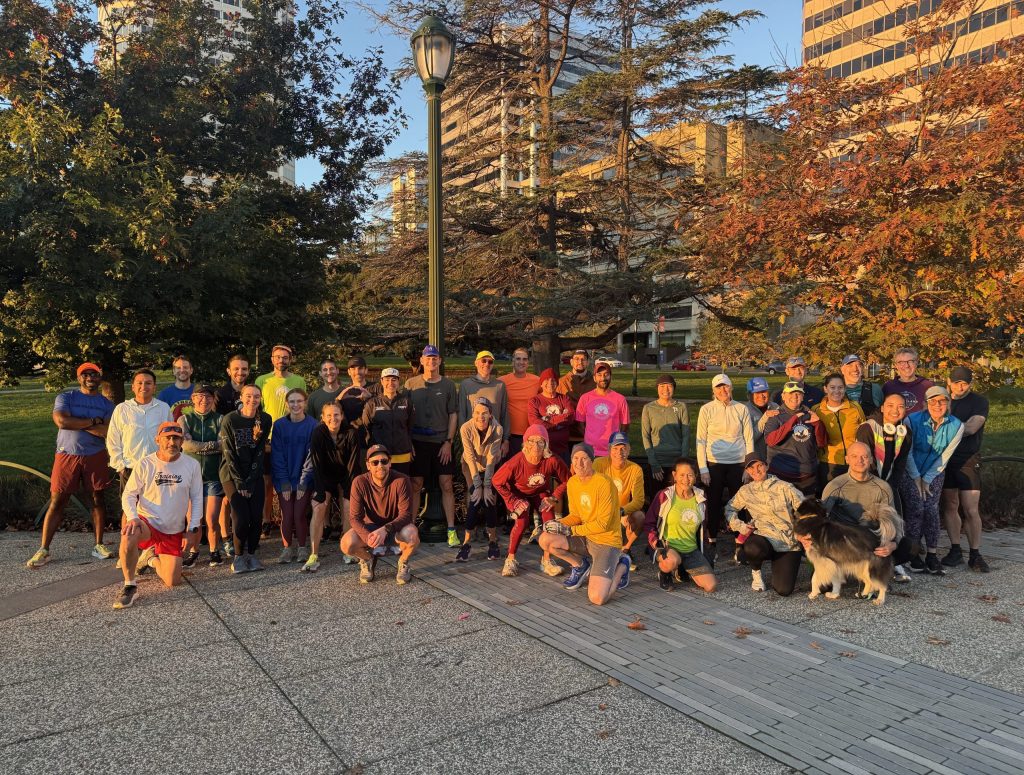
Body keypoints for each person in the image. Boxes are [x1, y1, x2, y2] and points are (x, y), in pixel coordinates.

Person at [27, 363, 116, 569]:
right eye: (85, 374)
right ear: (79, 378)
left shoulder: (107, 404)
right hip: (67, 454)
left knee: (97, 498)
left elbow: (107, 431)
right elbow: (62, 422)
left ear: (100, 377)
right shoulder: (66, 397)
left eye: (94, 374)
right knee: (58, 499)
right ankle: (44, 549)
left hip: (95, 454)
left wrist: (79, 422)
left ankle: (98, 545)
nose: (90, 377)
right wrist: (94, 420)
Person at [113, 422, 203, 609]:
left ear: (181, 441)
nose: (172, 442)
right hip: (148, 523)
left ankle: (151, 559)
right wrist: (133, 517)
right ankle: (130, 585)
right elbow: (129, 494)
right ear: (158, 440)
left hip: (173, 529)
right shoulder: (145, 463)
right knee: (129, 534)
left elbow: (196, 498)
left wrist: (193, 528)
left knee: (172, 581)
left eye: (176, 438)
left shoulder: (192, 465)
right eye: (167, 438)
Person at [539, 443, 630, 605]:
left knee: (597, 598)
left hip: (606, 542)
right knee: (545, 539)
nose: (579, 463)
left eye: (584, 459)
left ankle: (622, 565)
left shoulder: (604, 483)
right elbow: (576, 515)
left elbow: (603, 524)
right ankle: (580, 566)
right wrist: (557, 524)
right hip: (586, 536)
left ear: (592, 461)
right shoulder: (573, 482)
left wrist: (569, 530)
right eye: (575, 458)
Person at [820, 441, 912, 582]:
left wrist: (892, 544)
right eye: (855, 456)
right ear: (847, 459)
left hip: (871, 539)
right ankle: (849, 571)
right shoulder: (835, 486)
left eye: (864, 456)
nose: (860, 461)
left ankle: (881, 567)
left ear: (871, 460)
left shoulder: (883, 487)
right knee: (826, 584)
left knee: (910, 547)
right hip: (845, 542)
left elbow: (893, 521)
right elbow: (821, 519)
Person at [492, 424, 571, 577]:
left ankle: (547, 560)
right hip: (518, 494)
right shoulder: (516, 462)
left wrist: (554, 497)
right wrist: (512, 500)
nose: (535, 446)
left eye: (540, 441)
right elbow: (496, 481)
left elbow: (568, 480)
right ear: (525, 443)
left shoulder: (552, 460)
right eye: (531, 441)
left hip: (540, 493)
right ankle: (510, 559)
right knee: (522, 521)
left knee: (549, 518)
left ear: (546, 444)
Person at [902, 386, 963, 575]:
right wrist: (916, 477)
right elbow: (908, 452)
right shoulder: (911, 420)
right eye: (933, 401)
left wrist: (927, 479)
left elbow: (945, 456)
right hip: (910, 471)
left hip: (935, 472)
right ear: (925, 404)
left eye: (942, 401)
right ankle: (912, 554)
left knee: (931, 510)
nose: (938, 405)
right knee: (916, 509)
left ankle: (932, 554)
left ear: (948, 403)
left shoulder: (957, 425)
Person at [726, 452, 805, 595]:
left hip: (787, 542)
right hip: (763, 537)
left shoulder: (784, 487)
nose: (756, 471)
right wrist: (740, 526)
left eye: (759, 466)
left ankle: (781, 564)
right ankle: (756, 573)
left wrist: (802, 531)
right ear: (747, 471)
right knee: (752, 547)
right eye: (751, 468)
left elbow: (806, 509)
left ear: (766, 466)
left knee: (784, 590)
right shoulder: (745, 491)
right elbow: (729, 508)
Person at [341, 444, 419, 585]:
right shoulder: (359, 482)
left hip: (395, 528)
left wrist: (385, 529)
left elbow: (406, 515)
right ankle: (367, 559)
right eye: (375, 462)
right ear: (368, 465)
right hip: (371, 530)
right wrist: (367, 537)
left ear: (390, 462)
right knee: (346, 544)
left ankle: (403, 562)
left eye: (383, 461)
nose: (380, 465)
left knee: (412, 534)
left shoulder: (402, 480)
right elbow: (354, 518)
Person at [405, 345, 459, 545]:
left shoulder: (448, 386)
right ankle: (411, 529)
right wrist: (408, 441)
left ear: (440, 361)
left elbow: (453, 414)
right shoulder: (411, 384)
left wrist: (448, 441)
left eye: (435, 358)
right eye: (428, 358)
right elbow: (405, 415)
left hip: (440, 442)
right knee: (416, 485)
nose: (431, 361)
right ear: (422, 360)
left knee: (446, 484)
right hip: (418, 442)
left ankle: (451, 529)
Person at [940, 366, 990, 572]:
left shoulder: (979, 402)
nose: (960, 386)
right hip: (944, 458)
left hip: (968, 458)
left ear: (970, 383)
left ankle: (976, 553)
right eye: (957, 382)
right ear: (949, 382)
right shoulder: (942, 400)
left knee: (970, 508)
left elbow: (971, 428)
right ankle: (955, 549)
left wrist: (945, 423)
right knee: (950, 505)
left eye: (965, 382)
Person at [695, 374, 754, 547]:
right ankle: (712, 538)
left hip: (738, 463)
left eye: (726, 386)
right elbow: (700, 440)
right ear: (713, 390)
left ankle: (740, 539)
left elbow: (749, 439)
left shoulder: (741, 409)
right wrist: (703, 469)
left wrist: (748, 467)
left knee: (739, 503)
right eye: (719, 387)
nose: (723, 390)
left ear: (731, 387)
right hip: (714, 464)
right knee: (713, 503)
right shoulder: (706, 409)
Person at [219, 384, 272, 574]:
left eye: (256, 396)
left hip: (254, 473)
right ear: (241, 397)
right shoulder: (230, 419)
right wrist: (240, 482)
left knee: (256, 517)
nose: (252, 400)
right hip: (232, 475)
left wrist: (250, 479)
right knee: (241, 517)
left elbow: (259, 452)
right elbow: (228, 452)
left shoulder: (265, 420)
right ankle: (239, 556)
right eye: (248, 396)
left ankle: (251, 554)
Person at [644, 457, 717, 593]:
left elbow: (703, 528)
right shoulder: (664, 496)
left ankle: (682, 568)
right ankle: (664, 573)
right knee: (672, 560)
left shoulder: (701, 498)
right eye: (682, 475)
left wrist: (706, 553)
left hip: (691, 550)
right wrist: (656, 545)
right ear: (674, 476)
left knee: (711, 586)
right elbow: (649, 523)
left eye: (690, 475)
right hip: (668, 547)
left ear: (695, 476)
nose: (686, 479)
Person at [303, 403, 360, 572]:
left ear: (342, 416)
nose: (333, 419)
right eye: (328, 415)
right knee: (319, 507)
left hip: (346, 475)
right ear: (323, 417)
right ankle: (314, 555)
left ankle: (347, 549)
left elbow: (353, 465)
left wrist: (350, 491)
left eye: (336, 415)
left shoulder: (351, 433)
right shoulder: (318, 433)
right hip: (324, 476)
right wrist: (320, 492)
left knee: (349, 505)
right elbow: (317, 464)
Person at [255, 344, 306, 531]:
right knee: (267, 482)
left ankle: (291, 520)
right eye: (277, 357)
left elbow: (302, 406)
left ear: (290, 360)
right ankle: (266, 520)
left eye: (285, 357)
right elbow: (257, 409)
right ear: (272, 359)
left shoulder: (299, 381)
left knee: (293, 479)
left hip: (293, 437)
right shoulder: (262, 380)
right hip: (269, 438)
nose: (281, 360)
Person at [178, 384, 225, 567]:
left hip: (213, 475)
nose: (203, 400)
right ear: (193, 398)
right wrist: (211, 446)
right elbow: (186, 446)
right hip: (191, 477)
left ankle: (214, 550)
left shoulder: (220, 419)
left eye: (208, 396)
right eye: (199, 396)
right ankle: (194, 551)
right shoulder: (185, 419)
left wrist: (199, 446)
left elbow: (223, 445)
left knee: (211, 519)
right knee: (193, 519)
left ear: (213, 399)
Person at [107, 369, 173, 496]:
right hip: (130, 468)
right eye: (139, 383)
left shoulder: (163, 408)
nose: (144, 386)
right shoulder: (122, 409)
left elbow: (170, 437)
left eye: (148, 383)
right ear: (133, 387)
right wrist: (120, 466)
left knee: (156, 510)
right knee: (129, 511)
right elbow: (113, 439)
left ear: (154, 387)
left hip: (158, 468)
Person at [271, 388, 317, 564]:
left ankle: (303, 548)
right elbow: (277, 455)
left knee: (299, 514)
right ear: (286, 404)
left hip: (304, 478)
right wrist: (283, 482)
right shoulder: (280, 425)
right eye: (292, 401)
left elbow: (311, 457)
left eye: (299, 401)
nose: (296, 405)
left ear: (305, 403)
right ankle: (287, 548)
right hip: (284, 478)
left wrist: (303, 482)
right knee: (287, 514)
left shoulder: (313, 425)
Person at [456, 398, 504, 562]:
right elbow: (469, 457)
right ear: (472, 413)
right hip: (472, 467)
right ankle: (466, 543)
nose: (480, 417)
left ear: (490, 414)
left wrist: (487, 485)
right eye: (477, 413)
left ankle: (493, 541)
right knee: (475, 500)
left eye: (484, 413)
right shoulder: (465, 428)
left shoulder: (497, 428)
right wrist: (478, 486)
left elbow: (491, 458)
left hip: (490, 466)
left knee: (489, 499)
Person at [214, 353, 250, 558]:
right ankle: (227, 538)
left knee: (245, 494)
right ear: (229, 371)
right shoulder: (221, 394)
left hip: (247, 451)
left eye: (244, 369)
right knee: (227, 498)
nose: (240, 372)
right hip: (228, 451)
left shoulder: (251, 391)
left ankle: (242, 534)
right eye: (236, 368)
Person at [764, 381, 827, 496]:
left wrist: (818, 424)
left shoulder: (810, 414)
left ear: (803, 397)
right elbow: (770, 440)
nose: (795, 397)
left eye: (798, 394)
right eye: (790, 393)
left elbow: (821, 443)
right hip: (781, 475)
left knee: (807, 512)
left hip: (807, 476)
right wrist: (792, 421)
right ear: (783, 396)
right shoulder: (776, 415)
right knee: (783, 511)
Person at [593, 431, 645, 567]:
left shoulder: (635, 469)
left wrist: (622, 511)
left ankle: (626, 549)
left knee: (639, 517)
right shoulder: (599, 464)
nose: (619, 452)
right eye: (615, 448)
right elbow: (591, 490)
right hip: (601, 510)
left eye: (623, 448)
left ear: (629, 450)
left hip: (622, 511)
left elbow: (639, 500)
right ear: (609, 449)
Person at [856, 393, 913, 513]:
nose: (895, 410)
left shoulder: (905, 432)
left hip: (889, 483)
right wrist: (879, 488)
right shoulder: (867, 428)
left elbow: (900, 463)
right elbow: (865, 463)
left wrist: (891, 486)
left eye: (900, 406)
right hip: (866, 483)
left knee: (895, 521)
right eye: (890, 405)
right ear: (882, 408)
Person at [641, 374, 690, 498]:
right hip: (658, 463)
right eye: (662, 386)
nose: (665, 390)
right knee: (657, 500)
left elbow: (686, 436)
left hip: (676, 462)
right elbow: (646, 436)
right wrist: (654, 463)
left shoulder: (681, 407)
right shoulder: (648, 408)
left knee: (676, 498)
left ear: (674, 388)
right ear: (657, 388)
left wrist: (682, 463)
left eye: (669, 386)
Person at [815, 373, 866, 488]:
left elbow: (864, 431)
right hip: (829, 463)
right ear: (825, 389)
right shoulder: (817, 410)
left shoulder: (855, 408)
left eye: (840, 387)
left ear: (845, 388)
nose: (836, 391)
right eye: (832, 387)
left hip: (853, 462)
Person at [458, 350, 510, 458]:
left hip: (494, 439)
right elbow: (462, 414)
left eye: (490, 362)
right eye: (483, 360)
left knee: (493, 473)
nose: (486, 364)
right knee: (472, 472)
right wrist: (464, 440)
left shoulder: (499, 386)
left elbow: (504, 413)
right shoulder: (466, 385)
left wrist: (506, 440)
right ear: (476, 363)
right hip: (472, 438)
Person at [362, 367, 414, 475]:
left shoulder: (406, 402)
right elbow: (366, 428)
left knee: (401, 485)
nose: (390, 383)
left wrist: (410, 445)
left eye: (394, 379)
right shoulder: (372, 404)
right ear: (381, 381)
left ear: (399, 381)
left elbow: (410, 427)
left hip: (402, 454)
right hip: (380, 455)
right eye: (387, 379)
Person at [574, 362, 629, 458]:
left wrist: (617, 444)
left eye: (606, 374)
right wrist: (590, 437)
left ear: (610, 377)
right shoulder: (585, 398)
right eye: (599, 375)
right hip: (591, 451)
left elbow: (625, 424)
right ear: (594, 378)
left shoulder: (620, 399)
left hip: (612, 452)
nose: (603, 378)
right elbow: (579, 423)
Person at [499, 347, 541, 458]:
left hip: (531, 434)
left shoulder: (537, 381)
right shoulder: (502, 381)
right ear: (512, 361)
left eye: (524, 359)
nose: (521, 362)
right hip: (509, 436)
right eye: (518, 359)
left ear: (528, 362)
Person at [528, 368, 575, 463]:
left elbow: (570, 416)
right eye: (546, 380)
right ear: (541, 383)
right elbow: (534, 423)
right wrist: (559, 423)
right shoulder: (534, 401)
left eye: (553, 380)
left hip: (562, 449)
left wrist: (546, 419)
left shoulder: (564, 398)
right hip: (542, 450)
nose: (550, 383)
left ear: (557, 383)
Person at [557, 349, 595, 447]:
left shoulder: (595, 382)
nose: (580, 362)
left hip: (590, 435)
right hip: (568, 434)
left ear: (588, 362)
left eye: (583, 359)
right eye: (577, 359)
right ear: (571, 362)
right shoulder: (562, 382)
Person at [883, 347, 933, 414]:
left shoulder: (928, 386)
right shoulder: (888, 387)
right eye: (901, 362)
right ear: (896, 365)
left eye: (910, 361)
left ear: (916, 363)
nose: (906, 365)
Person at [742, 376, 779, 462]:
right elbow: (749, 440)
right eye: (757, 393)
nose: (761, 396)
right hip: (755, 462)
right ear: (749, 395)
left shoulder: (775, 407)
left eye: (764, 392)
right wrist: (764, 418)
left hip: (775, 459)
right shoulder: (744, 411)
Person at [157, 354, 195, 419]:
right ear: (174, 371)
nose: (182, 370)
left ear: (191, 370)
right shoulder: (164, 395)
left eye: (185, 367)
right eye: (178, 368)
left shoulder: (199, 392)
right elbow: (159, 419)